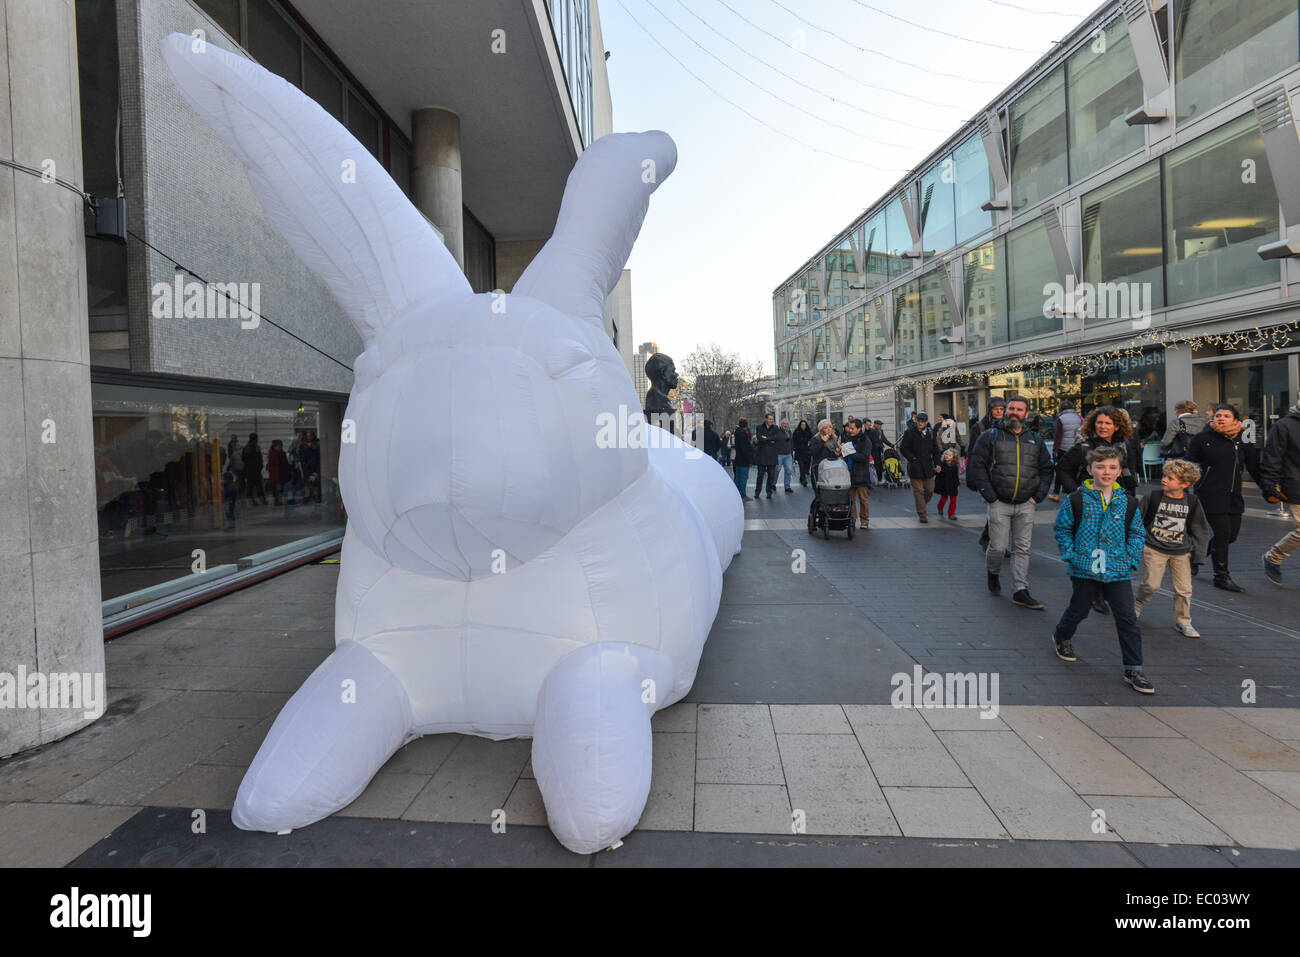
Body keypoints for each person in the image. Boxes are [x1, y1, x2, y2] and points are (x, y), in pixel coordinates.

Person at [1051, 445, 1153, 694]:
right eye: (1100, 467)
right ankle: (1061, 636)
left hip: (1117, 570)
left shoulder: (1127, 502)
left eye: (1112, 467)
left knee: (1127, 618)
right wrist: (1071, 554)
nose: (1106, 472)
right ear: (1090, 470)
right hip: (1085, 568)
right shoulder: (1077, 499)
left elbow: (1137, 533)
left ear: (1119, 471)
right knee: (1079, 610)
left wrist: (1130, 558)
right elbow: (1062, 528)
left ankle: (1134, 668)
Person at [967, 395, 1053, 609]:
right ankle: (993, 573)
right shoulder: (990, 436)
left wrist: (1037, 496)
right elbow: (977, 465)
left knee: (1022, 548)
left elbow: (1046, 469)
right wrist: (990, 495)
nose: (1014, 412)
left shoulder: (1035, 439)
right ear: (1006, 411)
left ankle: (1020, 590)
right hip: (999, 502)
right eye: (1011, 408)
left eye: (1019, 409)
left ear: (1026, 414)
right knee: (997, 547)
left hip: (1026, 503)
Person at [1186, 403, 1264, 592]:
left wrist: (1268, 489)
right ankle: (1221, 576)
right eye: (1218, 415)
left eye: (1227, 416)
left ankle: (1196, 553)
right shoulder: (1202, 439)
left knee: (1231, 536)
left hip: (1234, 496)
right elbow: (1188, 464)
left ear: (1236, 421)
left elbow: (1254, 467)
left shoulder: (1242, 441)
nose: (1221, 418)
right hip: (1209, 494)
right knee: (1222, 534)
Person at [1134, 459, 1211, 637]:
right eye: (1164, 476)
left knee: (1184, 589)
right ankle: (1138, 603)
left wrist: (1198, 556)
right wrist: (1135, 543)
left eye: (1170, 478)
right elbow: (1136, 521)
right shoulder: (1153, 497)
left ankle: (1183, 621)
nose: (1164, 480)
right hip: (1154, 548)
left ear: (1185, 484)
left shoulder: (1192, 502)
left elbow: (1200, 529)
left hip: (1181, 552)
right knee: (1151, 584)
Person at [1055, 406, 1144, 496]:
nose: (1102, 426)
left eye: (1108, 423)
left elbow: (1129, 472)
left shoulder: (1124, 446)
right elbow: (1062, 469)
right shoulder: (1083, 447)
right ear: (1093, 424)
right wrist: (1076, 493)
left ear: (1116, 426)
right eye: (1099, 422)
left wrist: (1129, 499)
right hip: (1089, 502)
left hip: (1118, 501)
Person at [1261, 400, 1300, 586]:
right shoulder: (1284, 426)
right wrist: (1269, 485)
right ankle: (1274, 557)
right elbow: (1272, 457)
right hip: (1296, 485)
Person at [900, 411, 943, 523]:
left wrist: (938, 463)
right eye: (919, 421)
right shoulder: (909, 432)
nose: (920, 423)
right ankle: (922, 514)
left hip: (928, 467)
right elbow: (903, 448)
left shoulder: (930, 433)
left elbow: (935, 450)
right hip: (915, 466)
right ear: (916, 421)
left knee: (929, 490)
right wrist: (912, 459)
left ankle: (921, 504)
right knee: (918, 491)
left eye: (922, 421)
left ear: (926, 422)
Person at [842, 417, 874, 528]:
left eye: (852, 428)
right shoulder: (847, 439)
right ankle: (853, 519)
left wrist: (850, 453)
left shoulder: (866, 440)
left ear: (859, 429)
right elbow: (845, 455)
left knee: (863, 499)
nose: (850, 430)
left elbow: (864, 457)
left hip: (861, 474)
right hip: (849, 473)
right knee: (850, 500)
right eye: (849, 428)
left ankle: (864, 520)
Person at [1049, 400, 1083, 502]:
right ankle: (1077, 492)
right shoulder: (1079, 417)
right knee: (1075, 471)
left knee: (1060, 470)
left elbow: (1058, 436)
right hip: (1076, 448)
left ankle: (1056, 493)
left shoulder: (1061, 419)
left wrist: (1055, 450)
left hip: (1063, 448)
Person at [754, 412, 780, 499]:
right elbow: (759, 438)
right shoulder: (759, 427)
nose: (771, 421)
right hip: (762, 455)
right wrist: (770, 440)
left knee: (771, 475)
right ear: (766, 419)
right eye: (770, 419)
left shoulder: (776, 428)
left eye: (772, 419)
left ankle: (769, 492)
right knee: (760, 475)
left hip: (772, 456)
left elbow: (777, 438)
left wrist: (766, 438)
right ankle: (757, 492)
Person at [242, 432, 268, 505]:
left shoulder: (247, 448)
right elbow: (259, 458)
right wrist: (260, 466)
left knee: (251, 486)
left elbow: (244, 459)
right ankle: (261, 500)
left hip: (251, 469)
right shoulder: (255, 447)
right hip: (254, 469)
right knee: (257, 485)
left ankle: (252, 501)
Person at [732, 418, 754, 501]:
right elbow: (745, 449)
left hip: (738, 458)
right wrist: (750, 460)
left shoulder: (737, 432)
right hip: (743, 460)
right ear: (746, 425)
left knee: (738, 477)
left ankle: (736, 494)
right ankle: (743, 495)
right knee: (743, 478)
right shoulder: (743, 434)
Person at [936, 447, 960, 520]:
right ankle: (940, 508)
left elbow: (956, 476)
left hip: (953, 484)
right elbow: (937, 474)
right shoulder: (941, 464)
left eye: (949, 455)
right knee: (944, 499)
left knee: (953, 499)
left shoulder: (955, 466)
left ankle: (951, 514)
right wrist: (936, 471)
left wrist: (958, 485)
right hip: (944, 485)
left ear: (953, 457)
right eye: (946, 454)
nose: (947, 456)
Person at [266, 438, 290, 506]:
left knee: (280, 488)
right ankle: (277, 500)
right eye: (278, 446)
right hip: (275, 474)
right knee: (276, 488)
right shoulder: (272, 454)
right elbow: (270, 464)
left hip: (280, 474)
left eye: (280, 446)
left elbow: (285, 464)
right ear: (274, 446)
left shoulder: (282, 453)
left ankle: (279, 500)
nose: (279, 447)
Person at [775, 419, 795, 493]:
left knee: (788, 471)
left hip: (788, 454)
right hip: (779, 454)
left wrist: (792, 452)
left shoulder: (789, 432)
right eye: (783, 423)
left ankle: (787, 486)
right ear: (781, 424)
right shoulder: (777, 432)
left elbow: (791, 443)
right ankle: (773, 484)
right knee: (777, 470)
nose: (785, 425)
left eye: (786, 423)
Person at [793, 420, 813, 486]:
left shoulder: (809, 432)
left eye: (804, 424)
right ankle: (803, 480)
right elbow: (793, 441)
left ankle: (802, 478)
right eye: (802, 424)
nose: (803, 426)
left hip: (807, 452)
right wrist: (794, 449)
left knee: (806, 466)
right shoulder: (796, 432)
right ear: (800, 425)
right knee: (801, 466)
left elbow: (812, 440)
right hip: (799, 452)